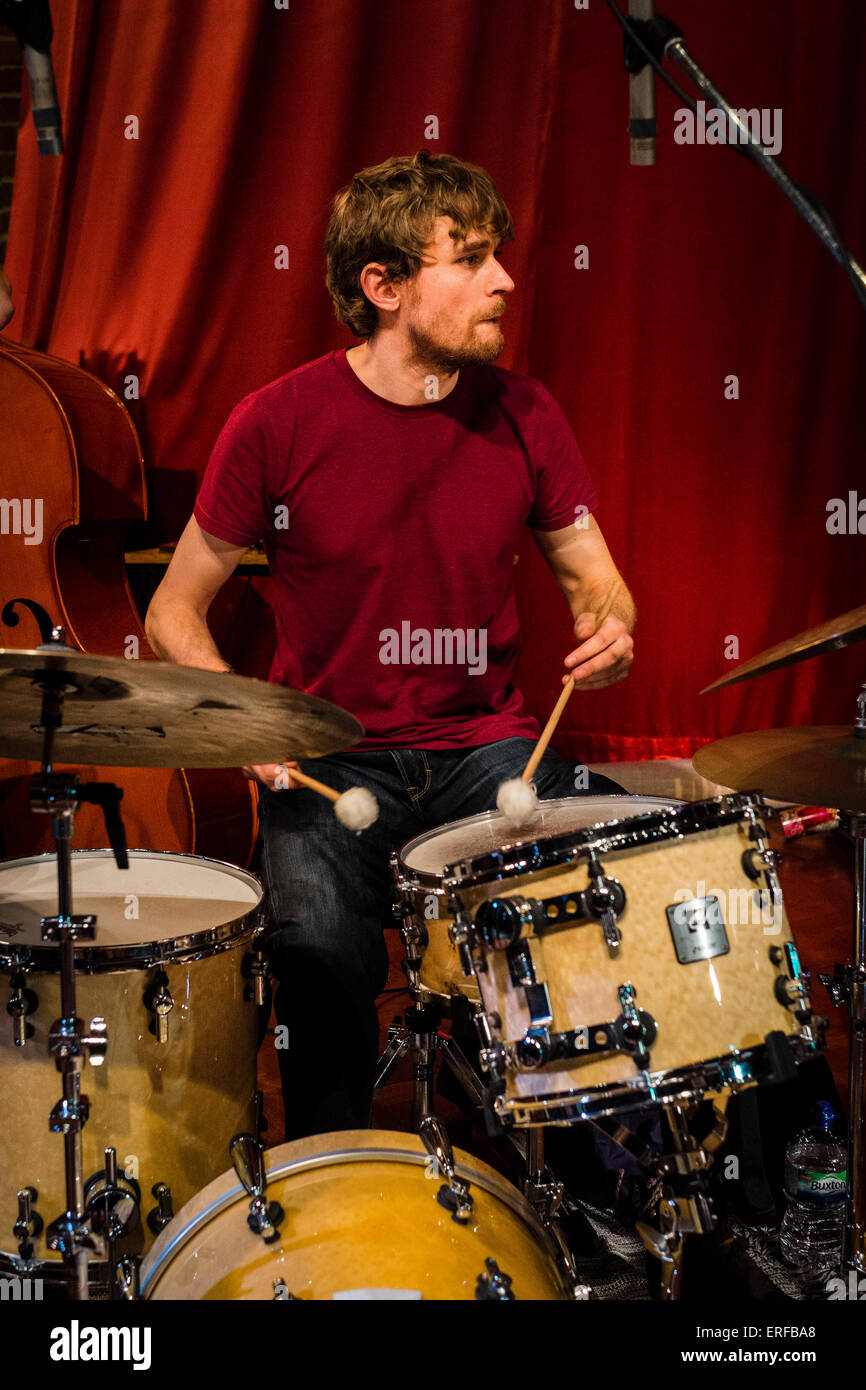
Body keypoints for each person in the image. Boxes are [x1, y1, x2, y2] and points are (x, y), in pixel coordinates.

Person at [145, 151, 636, 1140]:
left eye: (498, 256)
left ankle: (576, 1170)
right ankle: (334, 1175)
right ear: (382, 287)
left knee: (605, 875)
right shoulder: (275, 423)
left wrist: (610, 632)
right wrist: (247, 728)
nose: (503, 281)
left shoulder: (523, 412)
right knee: (318, 956)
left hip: (486, 752)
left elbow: (598, 586)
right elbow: (170, 612)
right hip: (330, 758)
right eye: (470, 258)